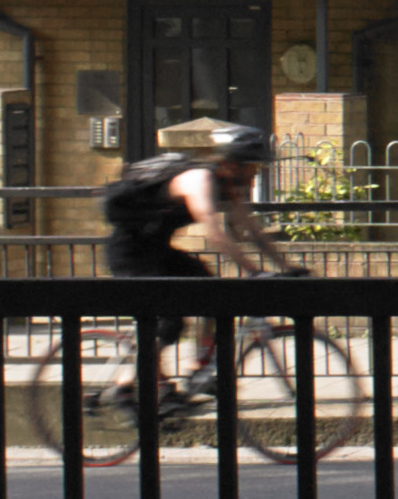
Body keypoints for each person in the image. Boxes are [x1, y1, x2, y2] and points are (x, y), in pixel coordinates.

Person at [99, 121, 293, 396]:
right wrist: (252, 270)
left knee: (213, 294)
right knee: (170, 320)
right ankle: (125, 385)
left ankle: (199, 368)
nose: (254, 174)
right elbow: (214, 233)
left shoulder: (228, 187)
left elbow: (254, 232)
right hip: (130, 254)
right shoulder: (198, 180)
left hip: (157, 251)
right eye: (251, 167)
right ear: (233, 164)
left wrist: (287, 267)